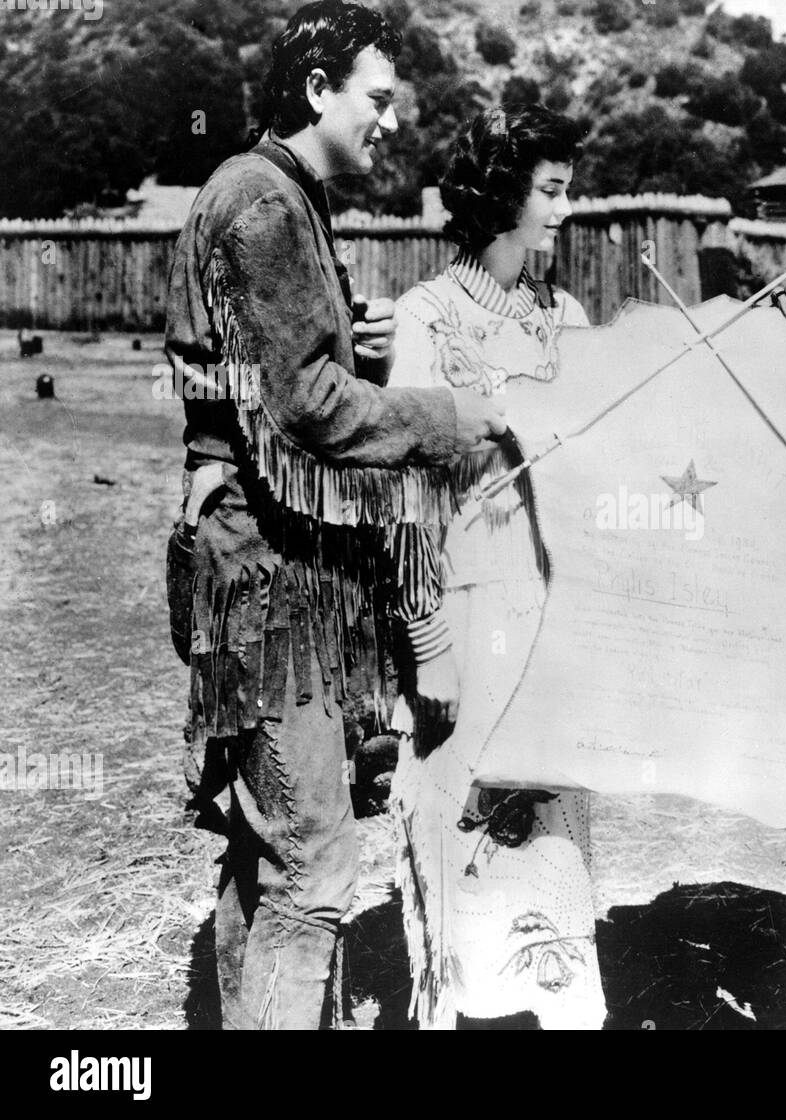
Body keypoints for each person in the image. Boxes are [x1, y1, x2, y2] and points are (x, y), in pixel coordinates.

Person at [163, 0, 507, 1030]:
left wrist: (338, 342)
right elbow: (304, 409)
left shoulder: (273, 192)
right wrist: (444, 417)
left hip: (252, 560)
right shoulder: (265, 205)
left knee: (266, 849)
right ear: (318, 90)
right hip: (261, 579)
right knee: (316, 865)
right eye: (379, 98)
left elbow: (274, 367)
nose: (392, 121)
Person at [385, 104, 607, 1029]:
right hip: (467, 612)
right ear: (501, 197)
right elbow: (399, 496)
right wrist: (427, 641)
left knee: (550, 843)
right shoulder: (427, 319)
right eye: (550, 192)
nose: (564, 209)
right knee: (465, 832)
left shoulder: (568, 315)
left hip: (553, 612)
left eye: (565, 190)